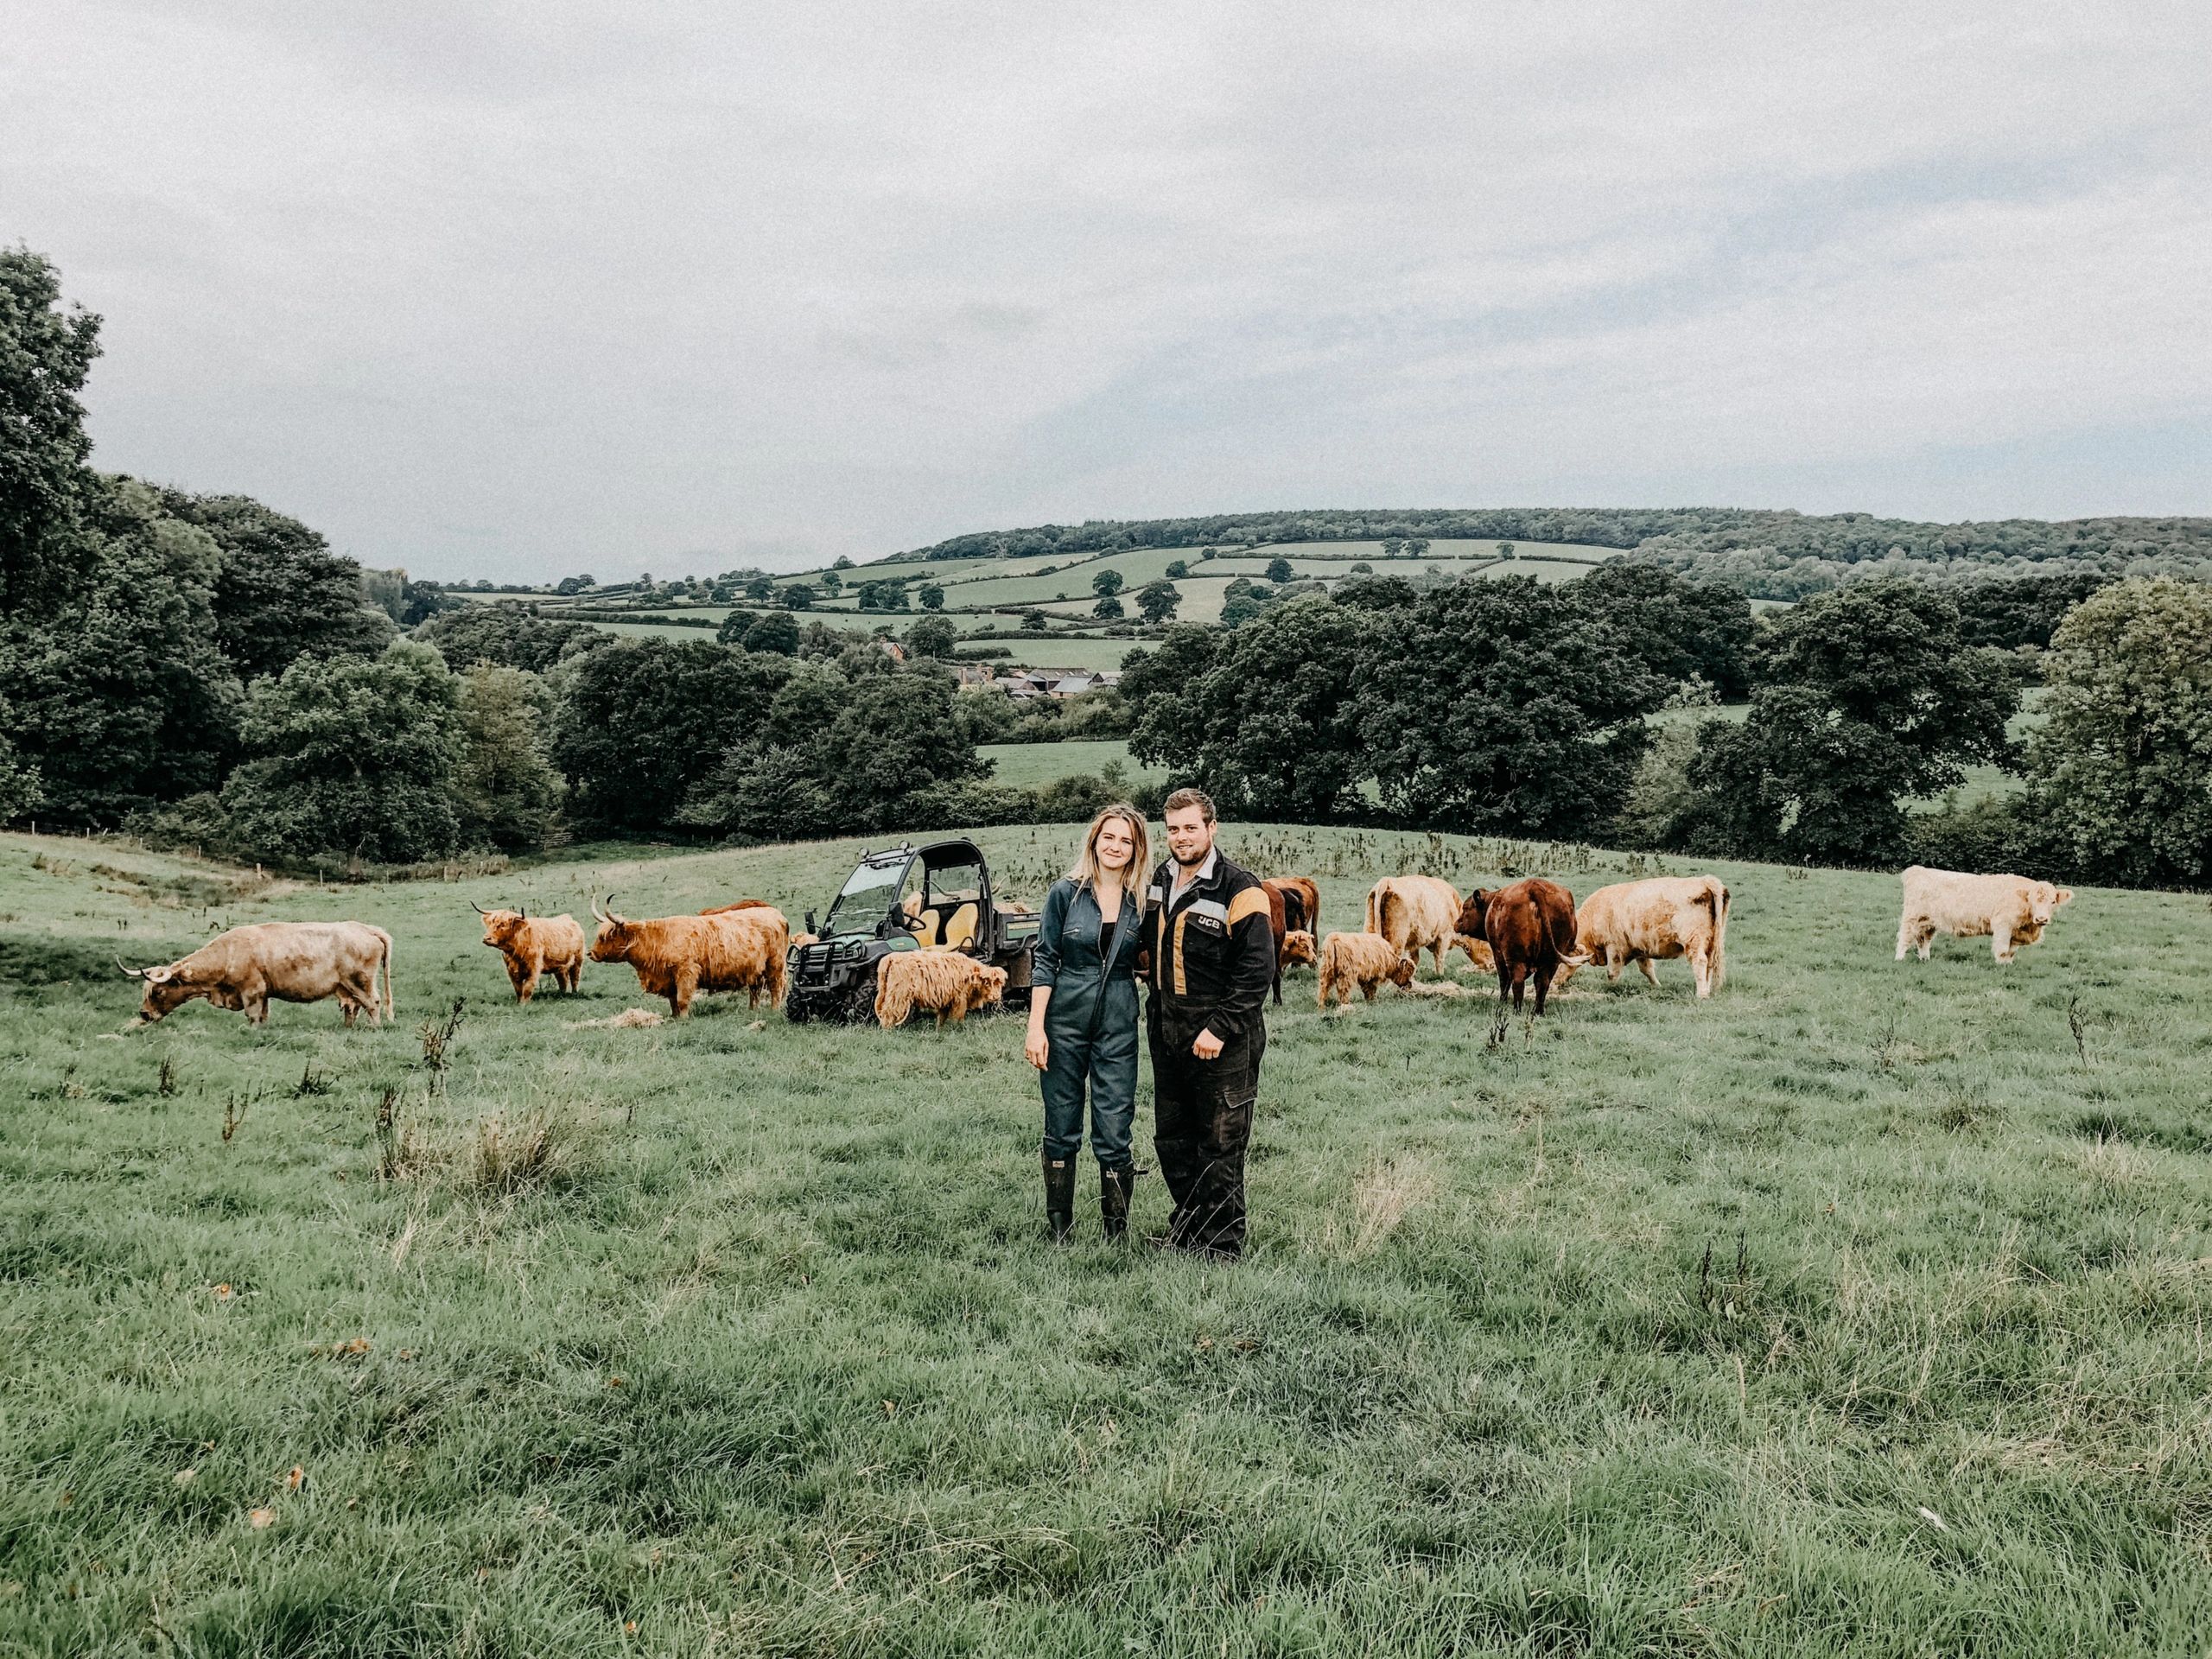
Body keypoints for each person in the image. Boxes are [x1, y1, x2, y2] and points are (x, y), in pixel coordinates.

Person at [1138, 787, 1274, 1260]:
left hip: (1223, 1036)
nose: (1181, 837)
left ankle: (1220, 1247)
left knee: (1220, 1143)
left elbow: (1257, 971)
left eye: (1190, 827)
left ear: (1212, 828)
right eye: (1173, 829)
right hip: (1167, 1029)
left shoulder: (1241, 888)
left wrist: (1219, 1029)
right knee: (1173, 1140)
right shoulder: (1160, 880)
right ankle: (1189, 1230)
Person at [1025, 804, 1149, 1242]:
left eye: (1126, 841)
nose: (1116, 847)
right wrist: (1036, 1026)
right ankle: (1060, 1227)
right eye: (1109, 837)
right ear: (1094, 841)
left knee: (1115, 1124)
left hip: (1118, 1019)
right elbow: (1045, 961)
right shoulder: (1065, 894)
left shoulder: (1142, 902)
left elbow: (1151, 962)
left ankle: (1117, 1231)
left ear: (1136, 850)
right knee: (1061, 1122)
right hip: (1064, 1018)